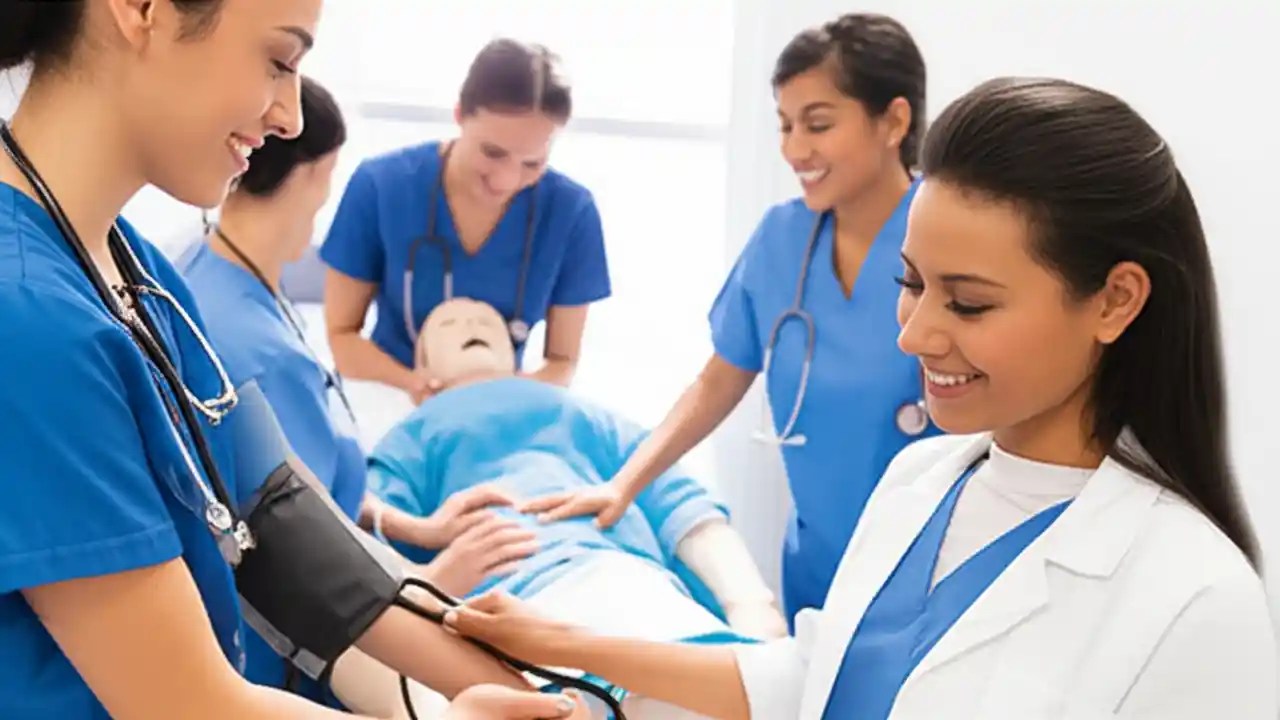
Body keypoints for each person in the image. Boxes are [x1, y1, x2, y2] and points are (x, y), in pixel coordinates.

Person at [442, 77, 1279, 719]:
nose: (912, 335)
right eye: (910, 284)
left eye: (970, 302)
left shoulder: (1196, 597)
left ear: (1115, 301)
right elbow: (814, 682)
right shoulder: (922, 481)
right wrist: (551, 641)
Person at [0, 1, 587, 717]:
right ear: (141, 8)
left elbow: (281, 522)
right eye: (279, 61)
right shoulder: (26, 318)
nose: (291, 118)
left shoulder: (134, 266)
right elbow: (183, 703)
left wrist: (533, 681)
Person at [526, 13, 939, 623]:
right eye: (786, 125)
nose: (795, 149)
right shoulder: (780, 238)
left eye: (818, 124)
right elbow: (720, 378)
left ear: (894, 121)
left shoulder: (947, 235)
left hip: (932, 555)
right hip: (820, 560)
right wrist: (625, 482)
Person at [177, 75, 537, 706]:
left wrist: (412, 528)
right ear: (313, 175)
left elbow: (306, 481)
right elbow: (288, 542)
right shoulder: (244, 344)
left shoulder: (228, 277)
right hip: (312, 652)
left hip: (359, 584)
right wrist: (424, 584)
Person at [346, 297, 788, 718]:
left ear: (516, 361)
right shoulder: (413, 434)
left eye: (487, 323)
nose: (471, 324)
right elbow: (364, 536)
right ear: (424, 377)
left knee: (700, 680)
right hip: (506, 602)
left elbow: (672, 493)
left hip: (613, 572)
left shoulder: (577, 410)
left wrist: (749, 600)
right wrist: (433, 567)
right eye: (448, 324)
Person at [321, 38, 610, 404]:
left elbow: (562, 362)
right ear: (459, 114)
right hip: (387, 397)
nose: (506, 180)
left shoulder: (571, 213)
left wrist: (507, 396)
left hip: (499, 409)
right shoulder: (382, 186)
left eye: (532, 163)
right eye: (492, 152)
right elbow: (343, 336)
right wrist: (412, 384)